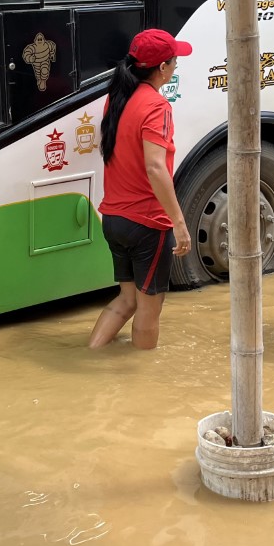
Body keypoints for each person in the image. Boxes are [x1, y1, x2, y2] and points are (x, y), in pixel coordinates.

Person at [88, 29, 194, 350]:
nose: (176, 66)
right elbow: (155, 167)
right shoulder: (157, 106)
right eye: (174, 61)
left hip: (114, 219)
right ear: (162, 67)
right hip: (147, 223)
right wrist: (178, 222)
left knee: (126, 301)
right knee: (149, 312)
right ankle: (142, 382)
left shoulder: (116, 99)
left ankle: (92, 353)